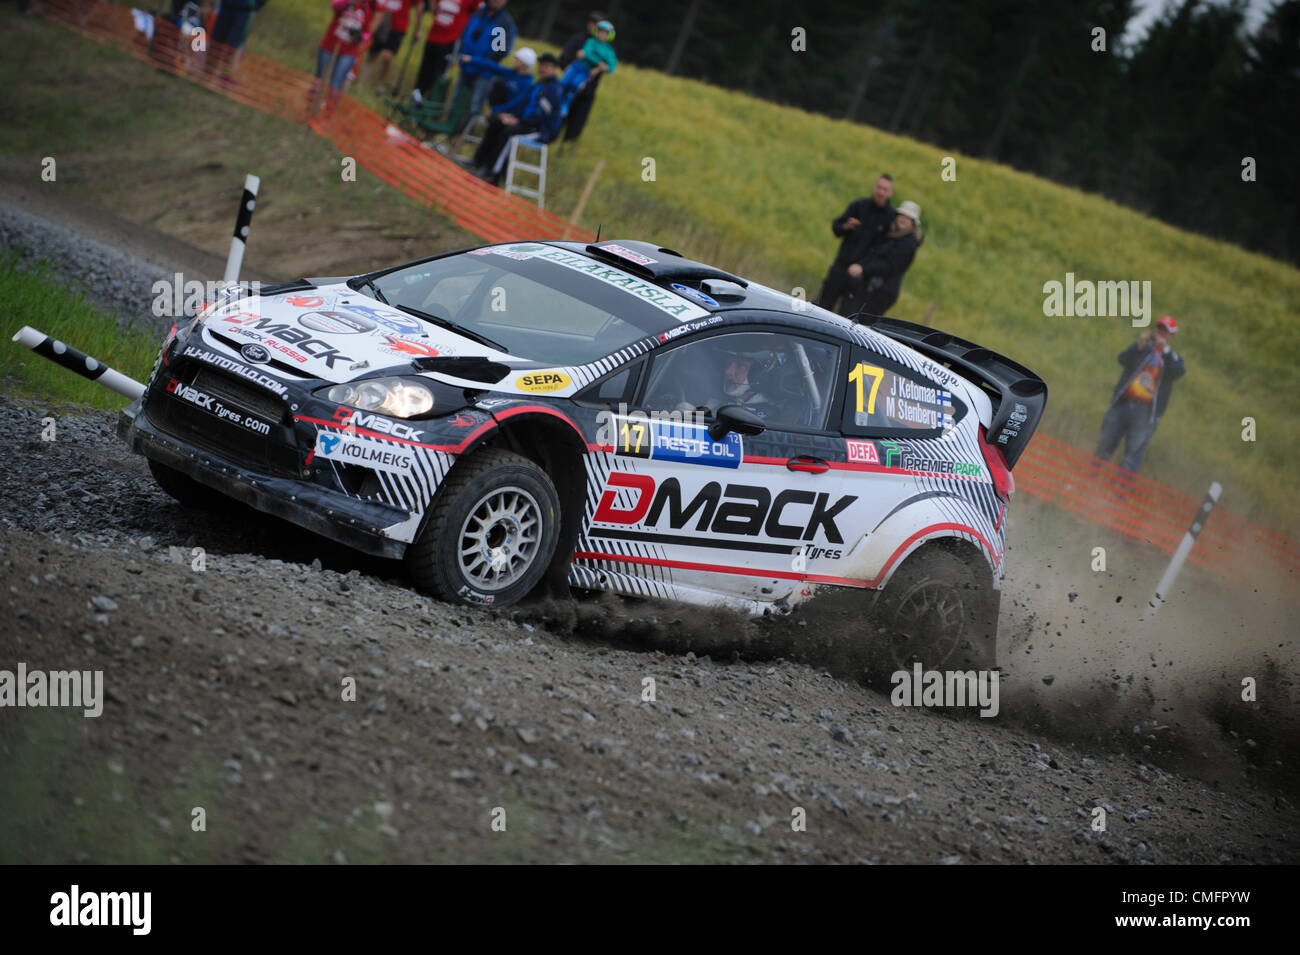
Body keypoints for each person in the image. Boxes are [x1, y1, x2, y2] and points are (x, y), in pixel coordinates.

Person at [1094, 315, 1186, 476]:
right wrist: (1139, 345)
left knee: (1131, 457)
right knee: (1105, 444)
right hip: (1124, 403)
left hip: (1145, 413)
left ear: (1172, 336)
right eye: (1160, 329)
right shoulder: (1143, 348)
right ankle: (1087, 480)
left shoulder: (1172, 357)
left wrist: (1164, 350)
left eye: (1166, 331)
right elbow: (1123, 359)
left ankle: (1119, 495)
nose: (1161, 333)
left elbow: (1177, 372)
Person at [466, 52, 562, 184]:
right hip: (527, 123)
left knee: (509, 133)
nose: (542, 69)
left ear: (554, 68)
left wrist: (519, 121)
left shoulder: (553, 89)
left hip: (540, 130)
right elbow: (522, 104)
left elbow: (541, 117)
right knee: (497, 122)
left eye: (546, 66)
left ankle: (493, 173)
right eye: (541, 65)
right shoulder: (539, 85)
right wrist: (510, 115)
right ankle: (478, 162)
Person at [815, 174, 896, 314]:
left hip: (861, 277)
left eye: (885, 189)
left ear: (890, 193)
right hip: (841, 266)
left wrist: (864, 268)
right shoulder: (859, 206)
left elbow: (886, 250)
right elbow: (836, 227)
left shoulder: (891, 218)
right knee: (822, 308)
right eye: (879, 187)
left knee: (847, 317)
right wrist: (846, 226)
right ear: (874, 187)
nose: (880, 192)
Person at [843, 199, 923, 316]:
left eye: (908, 218)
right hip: (873, 288)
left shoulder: (908, 243)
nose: (903, 219)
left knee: (859, 322)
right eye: (902, 215)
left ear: (913, 223)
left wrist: (863, 269)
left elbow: (889, 266)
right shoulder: (894, 235)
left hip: (881, 292)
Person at [451, 0, 517, 128]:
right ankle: (450, 126)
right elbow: (466, 35)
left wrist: (479, 61)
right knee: (457, 99)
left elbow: (500, 51)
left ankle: (466, 133)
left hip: (484, 72)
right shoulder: (478, 14)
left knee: (475, 104)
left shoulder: (504, 23)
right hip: (466, 65)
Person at [314, 0, 382, 104]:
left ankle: (327, 114)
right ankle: (310, 109)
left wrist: (360, 37)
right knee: (319, 78)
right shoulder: (345, 3)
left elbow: (368, 33)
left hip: (349, 52)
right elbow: (334, 6)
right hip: (329, 45)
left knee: (336, 83)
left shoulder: (366, 10)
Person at [559, 9, 606, 143]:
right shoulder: (578, 39)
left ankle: (566, 151)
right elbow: (564, 58)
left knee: (574, 129)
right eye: (592, 22)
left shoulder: (605, 47)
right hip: (568, 87)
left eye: (597, 24)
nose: (593, 26)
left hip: (586, 93)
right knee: (558, 119)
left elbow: (608, 64)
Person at [412, 0, 474, 101]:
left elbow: (477, 14)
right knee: (425, 72)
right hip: (433, 36)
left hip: (450, 40)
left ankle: (432, 105)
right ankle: (416, 100)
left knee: (440, 76)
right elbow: (434, 8)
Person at [458, 45, 535, 109]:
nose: (514, 61)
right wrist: (472, 59)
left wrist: (496, 110)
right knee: (498, 82)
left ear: (524, 64)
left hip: (511, 115)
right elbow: (490, 66)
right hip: (500, 110)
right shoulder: (511, 73)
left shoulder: (528, 83)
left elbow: (517, 103)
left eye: (517, 59)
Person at [559, 17, 615, 101]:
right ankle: (557, 97)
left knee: (575, 85)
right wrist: (599, 62)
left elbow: (612, 64)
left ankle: (566, 102)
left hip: (587, 72)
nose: (602, 35)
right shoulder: (591, 41)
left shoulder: (608, 50)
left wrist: (606, 67)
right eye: (600, 32)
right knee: (564, 82)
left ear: (609, 35)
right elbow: (587, 53)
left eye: (605, 33)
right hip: (578, 65)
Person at [362, 0, 413, 90]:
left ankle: (380, 83)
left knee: (387, 56)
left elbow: (419, 4)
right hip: (382, 22)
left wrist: (418, 28)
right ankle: (362, 83)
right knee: (372, 54)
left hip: (398, 27)